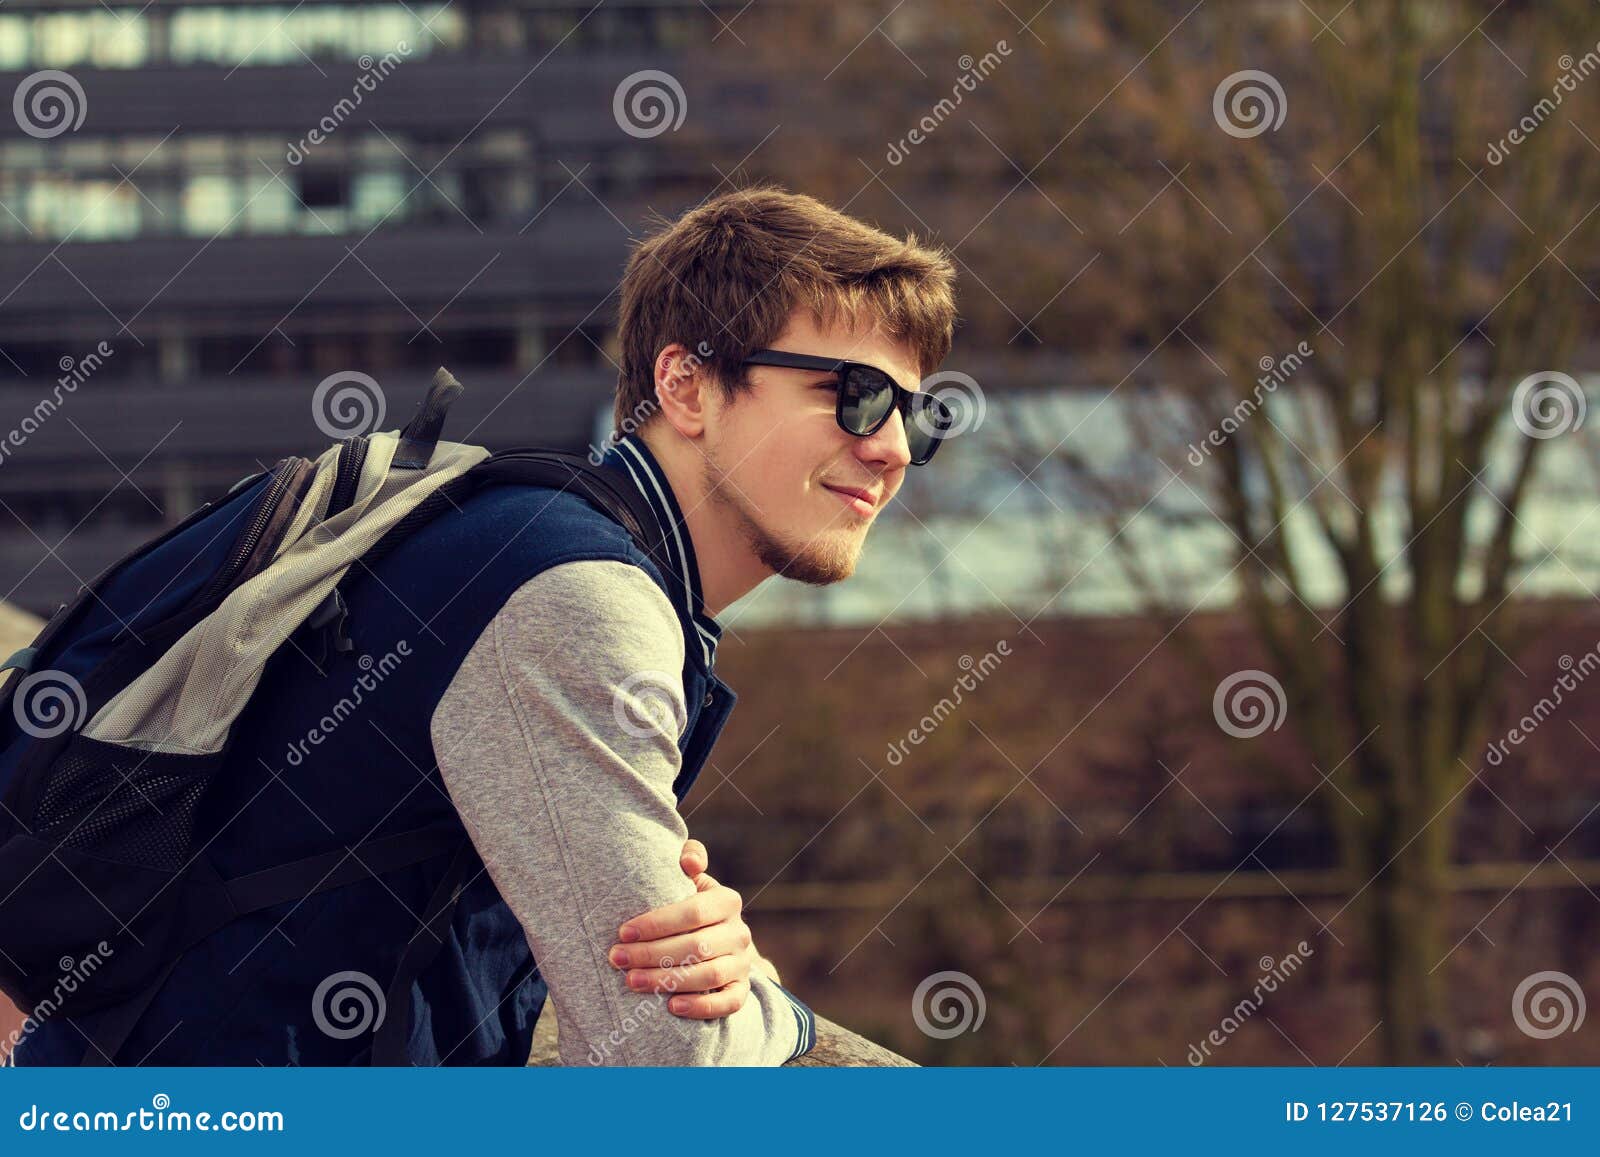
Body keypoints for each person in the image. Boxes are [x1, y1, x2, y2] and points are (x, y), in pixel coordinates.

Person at [6, 184, 957, 1067]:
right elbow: (663, 1054)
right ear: (689, 386)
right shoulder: (578, 598)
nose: (891, 447)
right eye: (854, 393)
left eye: (917, 416)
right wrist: (776, 1011)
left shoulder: (523, 533)